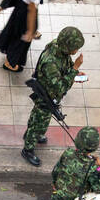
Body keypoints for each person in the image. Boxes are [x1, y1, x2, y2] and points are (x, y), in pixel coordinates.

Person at [20, 25, 83, 166]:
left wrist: (74, 73)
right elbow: (60, 87)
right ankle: (28, 149)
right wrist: (74, 70)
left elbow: (65, 65)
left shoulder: (59, 47)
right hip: (46, 97)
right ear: (67, 46)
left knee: (39, 118)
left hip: (49, 93)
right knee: (38, 122)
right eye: (75, 48)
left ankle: (31, 134)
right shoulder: (51, 63)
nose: (76, 51)